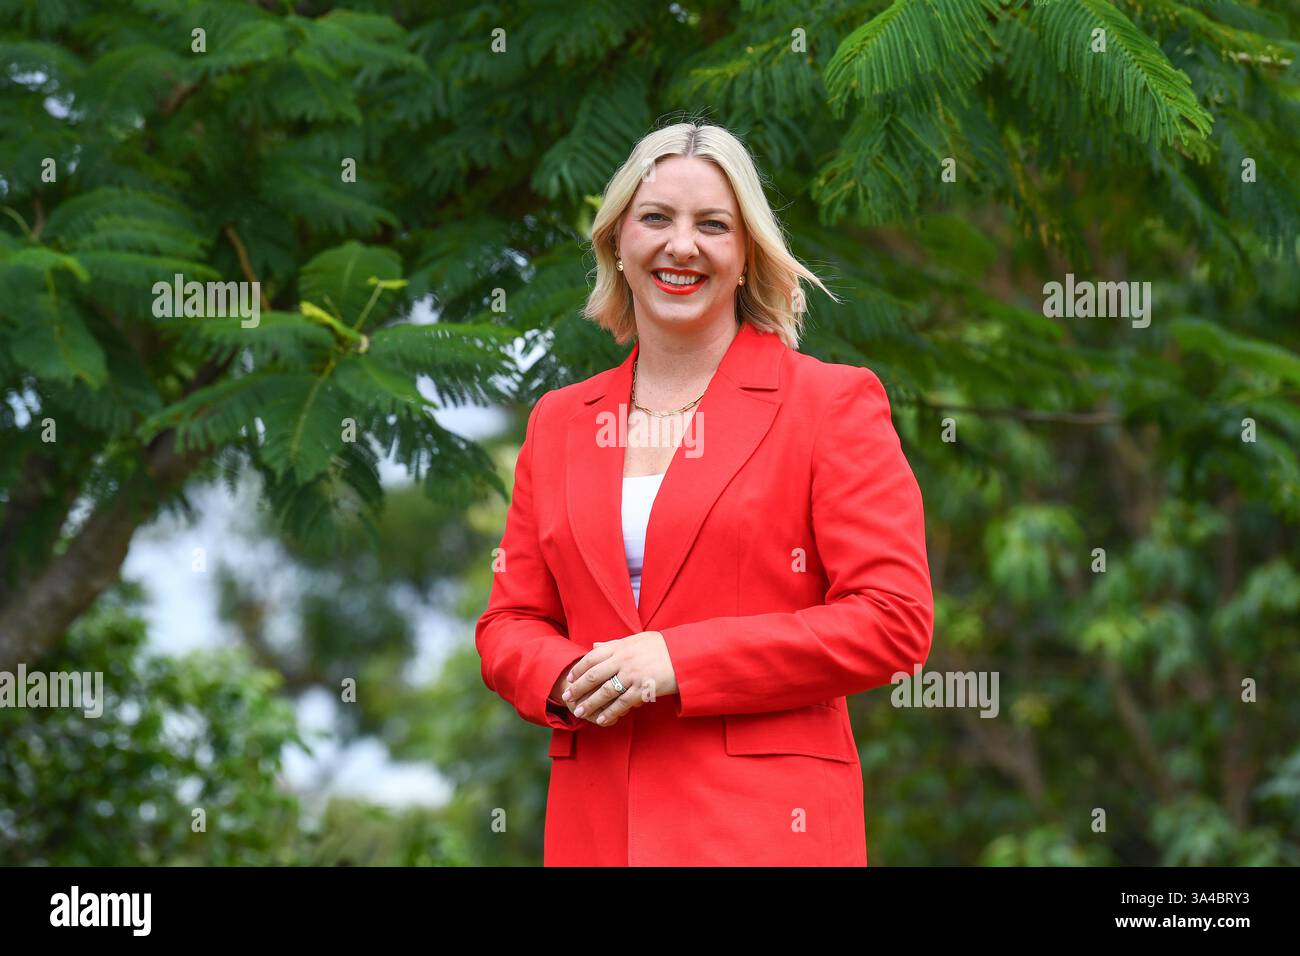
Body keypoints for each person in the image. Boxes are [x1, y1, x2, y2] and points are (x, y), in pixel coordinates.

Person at [475, 120, 933, 866]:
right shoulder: (558, 422)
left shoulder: (831, 404)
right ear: (618, 244)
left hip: (764, 837)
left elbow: (893, 621)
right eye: (656, 219)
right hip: (595, 835)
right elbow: (509, 623)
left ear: (746, 253)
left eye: (712, 225)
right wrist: (561, 677)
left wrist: (678, 660)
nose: (680, 246)